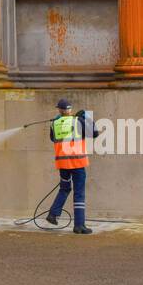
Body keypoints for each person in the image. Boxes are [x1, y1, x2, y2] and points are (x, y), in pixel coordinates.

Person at [46, 97, 91, 234]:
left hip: (63, 163)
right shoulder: (78, 121)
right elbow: (93, 132)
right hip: (77, 162)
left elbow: (53, 138)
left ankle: (53, 214)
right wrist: (85, 118)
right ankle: (79, 226)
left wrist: (58, 121)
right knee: (79, 193)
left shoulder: (54, 123)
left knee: (65, 188)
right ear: (70, 110)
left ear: (59, 110)